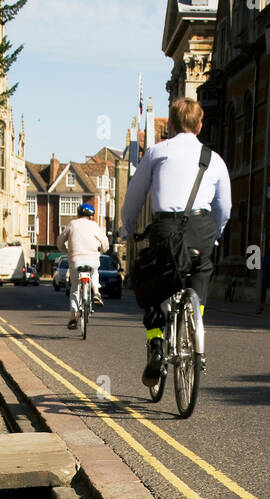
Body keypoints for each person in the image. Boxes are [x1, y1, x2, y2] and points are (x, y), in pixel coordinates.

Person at [119, 96, 231, 385]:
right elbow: (224, 208)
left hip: (166, 230)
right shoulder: (214, 159)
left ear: (170, 124)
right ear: (200, 125)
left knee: (152, 282)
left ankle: (156, 345)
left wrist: (127, 229)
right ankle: (197, 320)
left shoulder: (157, 153)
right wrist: (215, 234)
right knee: (201, 268)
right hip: (202, 229)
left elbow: (134, 197)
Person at [58, 203, 108, 330]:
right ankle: (96, 292)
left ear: (78, 214)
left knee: (75, 288)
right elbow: (104, 241)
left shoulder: (72, 224)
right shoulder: (94, 225)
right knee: (95, 271)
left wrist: (65, 250)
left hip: (75, 260)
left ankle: (73, 317)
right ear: (91, 216)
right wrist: (102, 250)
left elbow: (60, 240)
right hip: (92, 259)